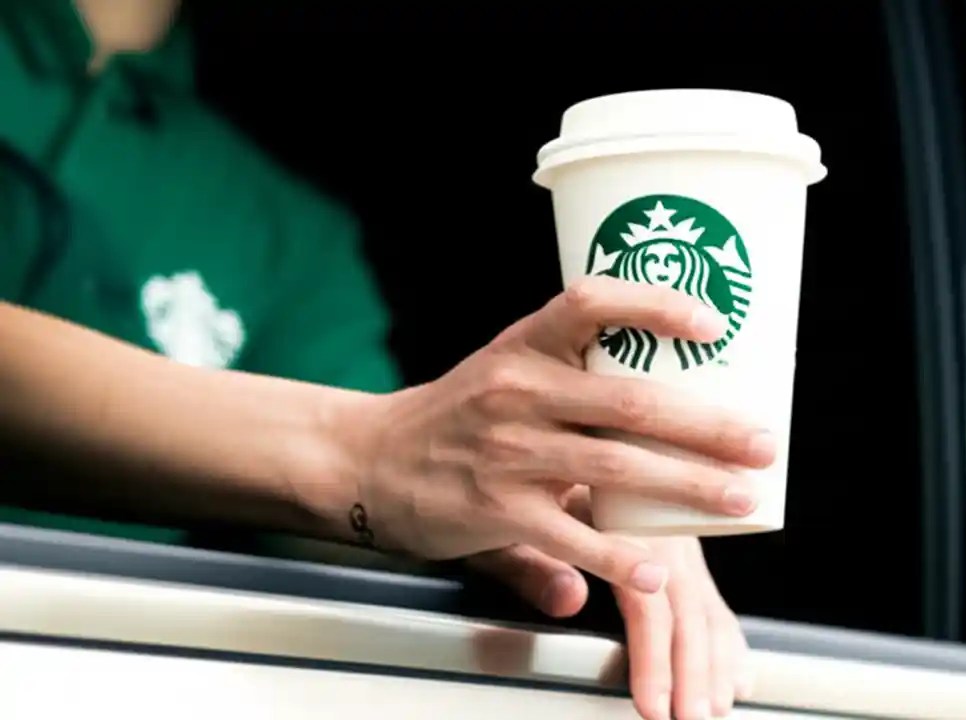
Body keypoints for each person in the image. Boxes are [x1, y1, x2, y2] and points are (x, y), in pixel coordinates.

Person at [0, 2, 769, 719]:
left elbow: (350, 516)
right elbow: (369, 461)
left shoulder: (288, 231)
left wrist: (524, 497)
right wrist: (363, 453)